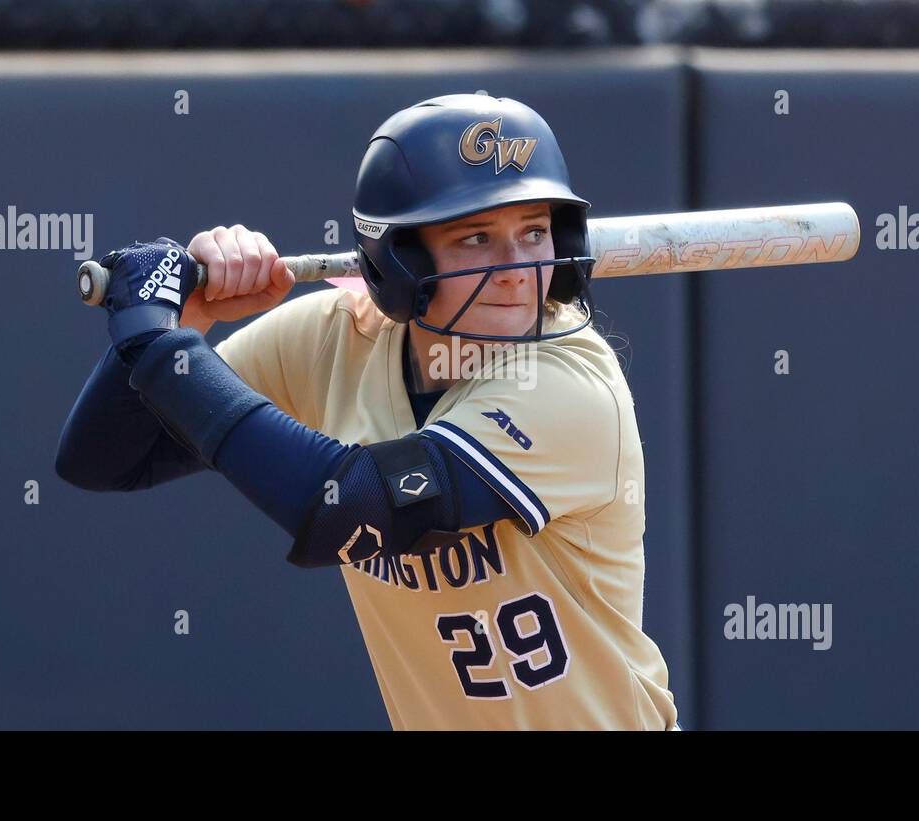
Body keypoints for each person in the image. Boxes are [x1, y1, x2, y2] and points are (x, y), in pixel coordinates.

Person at [56, 93, 679, 730]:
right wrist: (191, 320)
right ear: (400, 262)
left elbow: (347, 506)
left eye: (534, 232)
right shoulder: (337, 336)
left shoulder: (569, 384)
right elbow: (105, 459)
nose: (517, 271)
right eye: (474, 238)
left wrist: (157, 341)